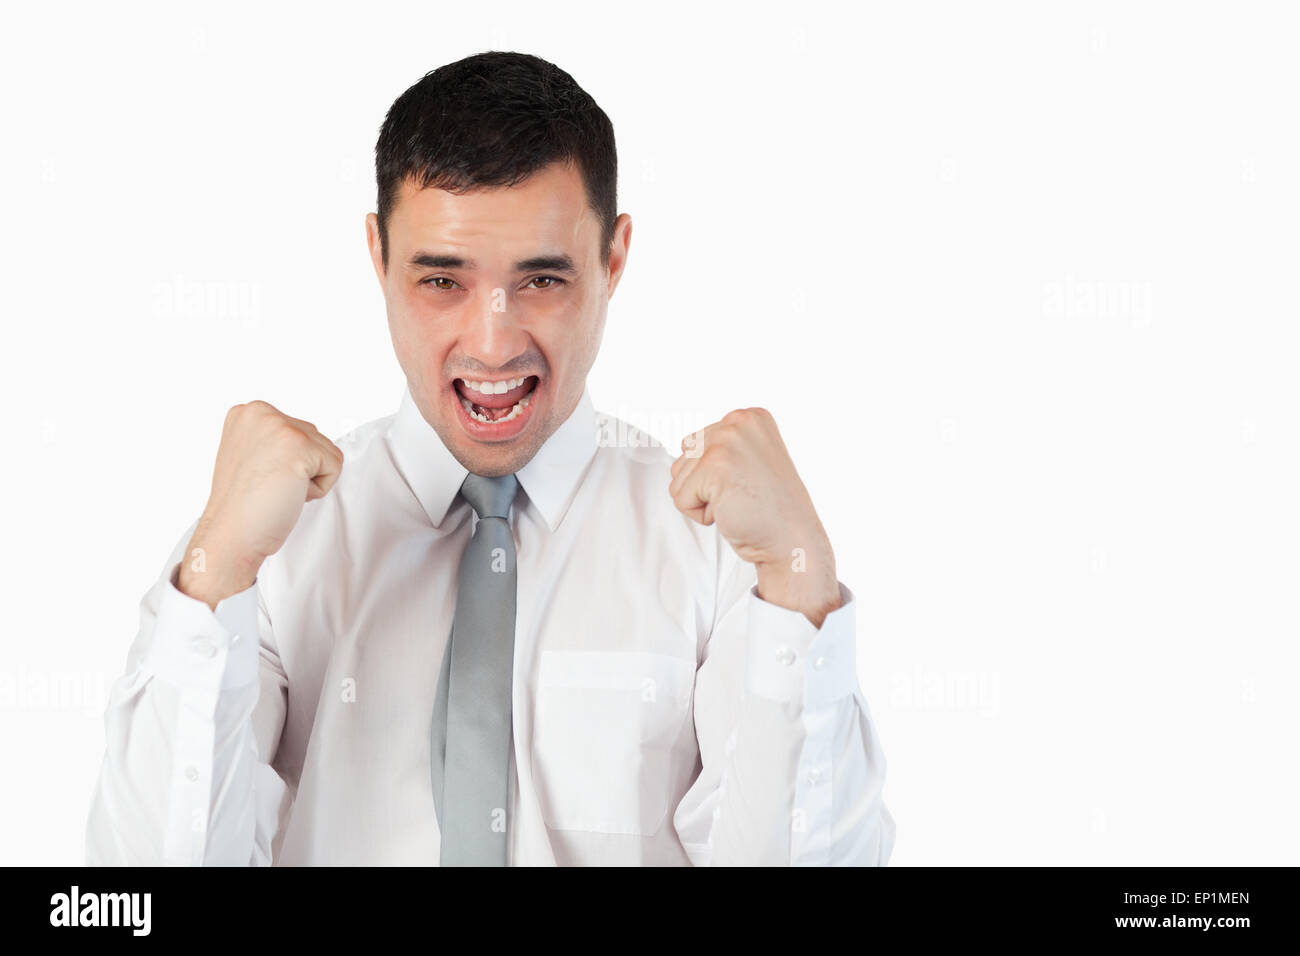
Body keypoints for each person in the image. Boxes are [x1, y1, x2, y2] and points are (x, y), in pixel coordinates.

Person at [85, 50, 896, 866]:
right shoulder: (270, 548)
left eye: (542, 279)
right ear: (380, 257)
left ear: (614, 260)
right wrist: (215, 574)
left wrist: (800, 587)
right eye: (443, 281)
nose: (493, 341)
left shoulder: (718, 554)